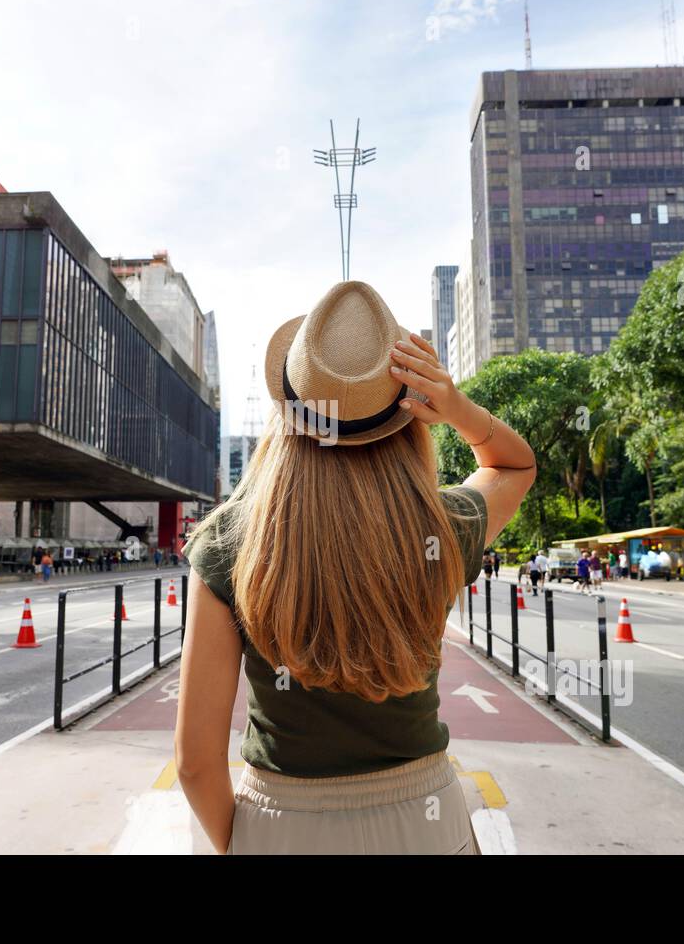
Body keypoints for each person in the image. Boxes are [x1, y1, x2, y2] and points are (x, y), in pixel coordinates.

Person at [177, 281, 536, 855]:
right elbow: (514, 465)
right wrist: (458, 407)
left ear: (289, 413)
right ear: (410, 416)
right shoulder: (444, 527)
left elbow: (195, 764)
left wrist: (247, 845)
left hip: (281, 821)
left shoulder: (230, 541)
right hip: (425, 819)